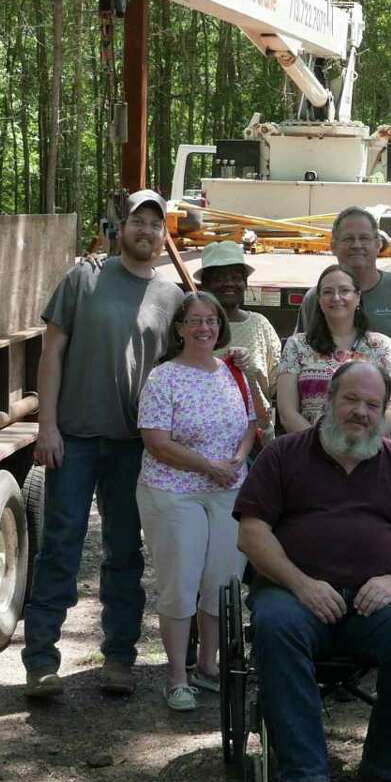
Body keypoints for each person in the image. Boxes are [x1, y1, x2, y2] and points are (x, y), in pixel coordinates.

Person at [235, 359, 391, 782]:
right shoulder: (284, 456)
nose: (361, 412)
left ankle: (385, 776)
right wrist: (301, 583)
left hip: (377, 600)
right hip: (295, 595)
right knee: (274, 627)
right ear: (329, 400)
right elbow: (251, 534)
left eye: (372, 404)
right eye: (351, 399)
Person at [22, 189, 184, 700]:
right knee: (61, 546)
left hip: (133, 445)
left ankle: (119, 659)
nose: (147, 231)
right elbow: (51, 355)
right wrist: (46, 425)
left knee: (123, 554)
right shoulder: (83, 277)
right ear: (122, 226)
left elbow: (183, 368)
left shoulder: (171, 296)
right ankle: (41, 662)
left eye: (156, 225)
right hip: (73, 439)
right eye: (139, 220)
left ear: (164, 236)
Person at [135, 291, 257, 710]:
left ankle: (208, 667)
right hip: (174, 492)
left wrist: (238, 459)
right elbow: (156, 442)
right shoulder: (163, 377)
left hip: (228, 490)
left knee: (222, 581)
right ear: (180, 329)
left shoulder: (232, 372)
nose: (205, 328)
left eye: (212, 321)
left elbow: (251, 424)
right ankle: (175, 677)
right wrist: (209, 466)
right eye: (195, 321)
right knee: (181, 582)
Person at [297, 207, 391, 458]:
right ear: (333, 245)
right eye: (348, 238)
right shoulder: (317, 299)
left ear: (378, 244)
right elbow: (300, 367)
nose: (357, 245)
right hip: (334, 445)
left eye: (364, 238)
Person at [276, 262, 391, 435]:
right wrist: (322, 446)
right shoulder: (296, 346)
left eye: (344, 290)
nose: (336, 298)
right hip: (311, 453)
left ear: (358, 297)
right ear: (319, 300)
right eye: (327, 292)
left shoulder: (381, 346)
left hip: (368, 452)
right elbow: (287, 413)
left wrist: (360, 446)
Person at [197, 242, 280, 439]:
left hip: (257, 439)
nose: (229, 283)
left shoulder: (261, 326)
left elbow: (278, 384)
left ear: (245, 282)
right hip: (202, 439)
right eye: (219, 278)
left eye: (236, 277)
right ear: (205, 284)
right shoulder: (194, 328)